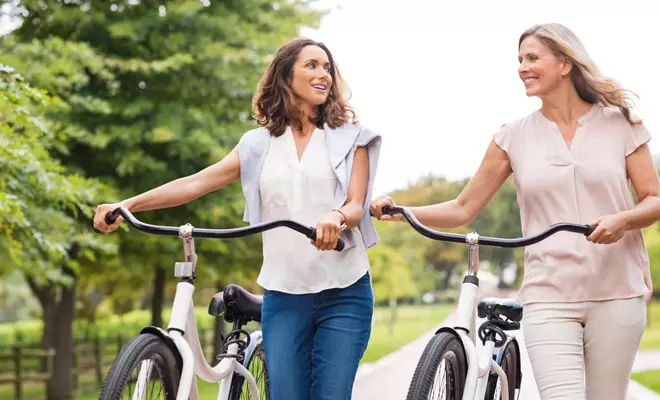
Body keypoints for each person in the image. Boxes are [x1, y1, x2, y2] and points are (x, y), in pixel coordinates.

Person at [370, 23, 657, 400]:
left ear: (565, 63)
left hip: (619, 291)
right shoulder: (512, 136)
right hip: (548, 293)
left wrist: (623, 220)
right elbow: (463, 207)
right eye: (519, 59)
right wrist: (401, 210)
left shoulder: (620, 122)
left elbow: (653, 198)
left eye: (532, 58)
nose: (522, 66)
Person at [93, 38, 381, 400]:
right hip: (285, 294)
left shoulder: (350, 138)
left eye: (327, 67)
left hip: (345, 292)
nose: (323, 73)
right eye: (312, 65)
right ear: (285, 74)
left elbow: (357, 204)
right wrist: (128, 204)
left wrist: (336, 217)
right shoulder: (257, 144)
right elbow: (197, 182)